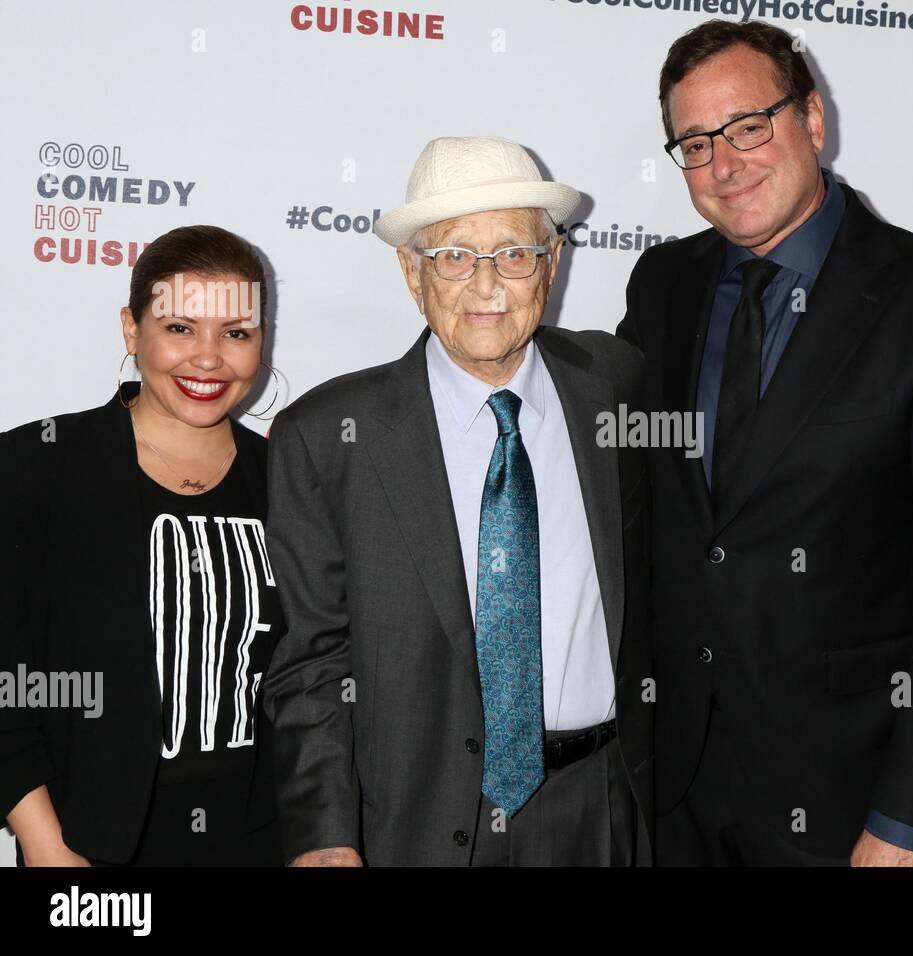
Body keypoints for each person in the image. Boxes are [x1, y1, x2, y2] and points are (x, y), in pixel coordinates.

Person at [617, 20, 913, 866]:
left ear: (812, 119)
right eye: (694, 144)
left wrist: (909, 822)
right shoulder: (664, 285)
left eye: (748, 128)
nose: (724, 165)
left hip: (848, 803)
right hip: (667, 796)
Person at [262, 135, 653, 866]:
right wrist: (324, 837)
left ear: (552, 264)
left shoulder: (617, 384)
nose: (487, 286)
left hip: (599, 813)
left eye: (513, 253)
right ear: (413, 273)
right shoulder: (326, 438)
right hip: (412, 824)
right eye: (454, 257)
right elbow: (309, 663)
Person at [0, 225, 284, 866]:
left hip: (263, 841)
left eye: (235, 333)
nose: (208, 359)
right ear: (133, 330)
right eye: (180, 328)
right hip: (88, 848)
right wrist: (48, 848)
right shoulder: (37, 466)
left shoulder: (291, 481)